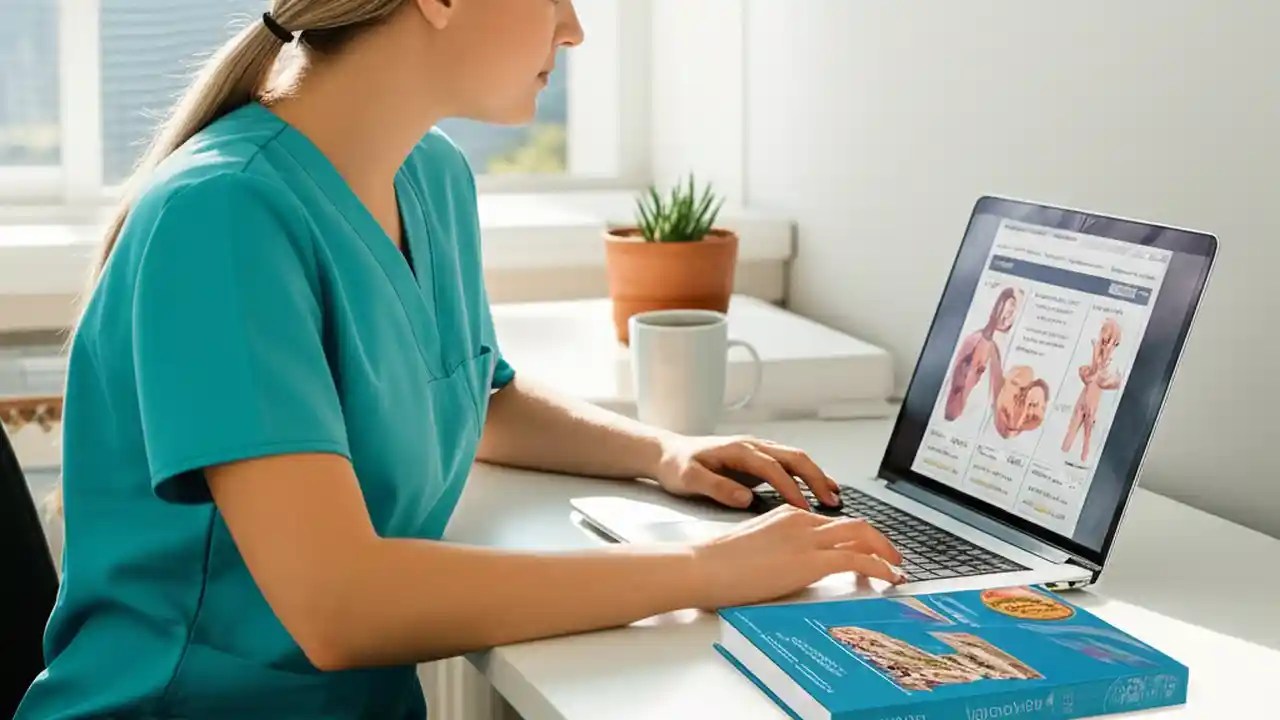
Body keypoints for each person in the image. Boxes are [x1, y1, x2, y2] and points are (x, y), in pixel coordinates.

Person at [17, 2, 904, 718]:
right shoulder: (220, 217)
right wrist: (709, 573)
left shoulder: (429, 175)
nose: (574, 27)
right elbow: (339, 607)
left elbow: (474, 393)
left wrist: (661, 452)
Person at [944, 286, 1022, 421]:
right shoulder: (978, 340)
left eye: (1014, 310)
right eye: (1008, 307)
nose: (1009, 314)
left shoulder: (1005, 345)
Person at [1062, 318, 1124, 462]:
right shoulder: (1096, 353)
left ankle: (1082, 459)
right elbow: (1090, 376)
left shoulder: (1111, 363)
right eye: (1105, 341)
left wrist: (1102, 363)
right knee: (1072, 430)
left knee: (1088, 434)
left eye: (1112, 343)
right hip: (1085, 398)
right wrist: (1096, 356)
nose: (1107, 346)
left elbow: (1107, 381)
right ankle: (1063, 456)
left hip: (1093, 401)